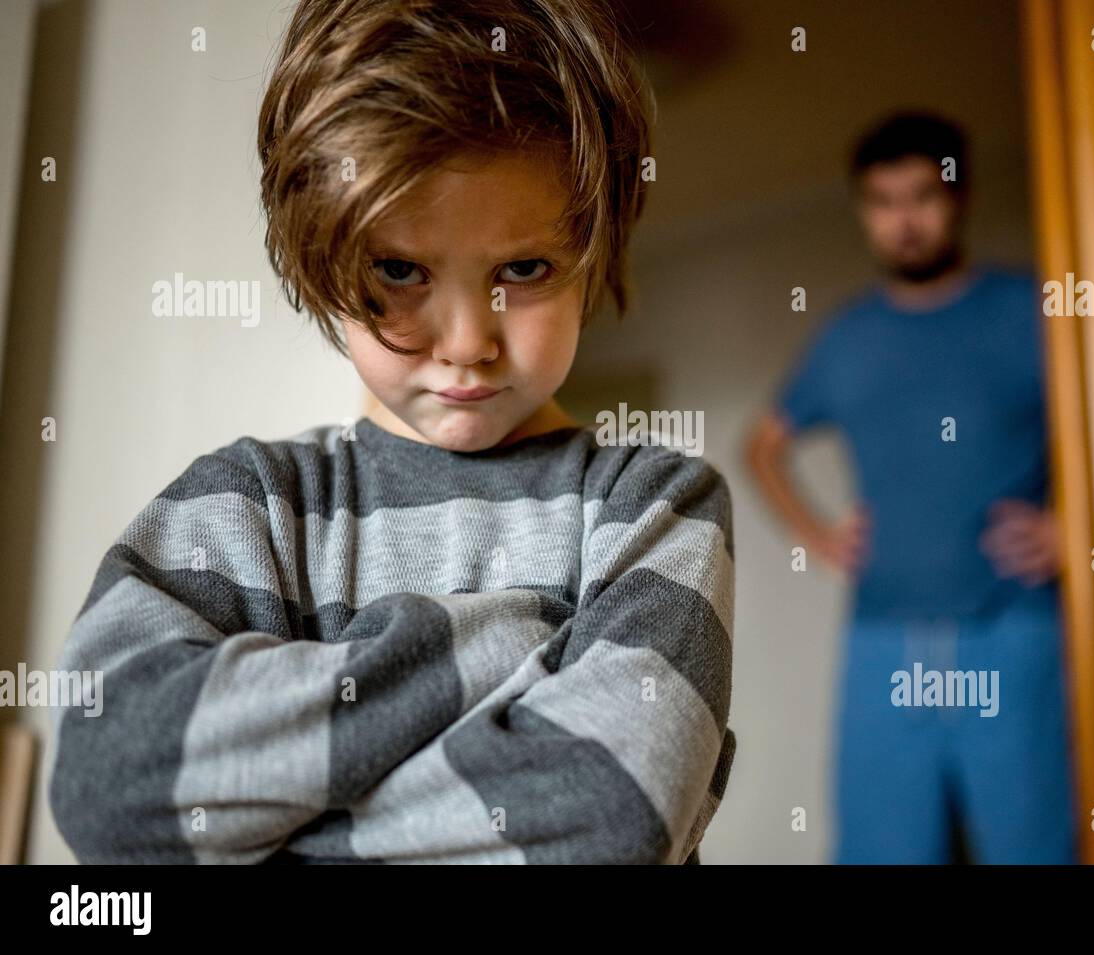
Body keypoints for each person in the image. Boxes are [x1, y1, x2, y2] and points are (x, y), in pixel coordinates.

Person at [47, 0, 735, 865]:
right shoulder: (247, 504)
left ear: (594, 251)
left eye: (522, 270)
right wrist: (506, 639)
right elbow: (106, 786)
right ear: (321, 257)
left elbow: (612, 819)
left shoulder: (656, 504)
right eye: (401, 270)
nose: (467, 344)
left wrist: (266, 826)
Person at [747, 112, 1076, 864]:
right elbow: (762, 447)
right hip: (881, 642)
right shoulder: (846, 336)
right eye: (883, 200)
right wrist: (819, 534)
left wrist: (1076, 528)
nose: (905, 220)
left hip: (1012, 629)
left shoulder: (1030, 309)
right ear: (863, 210)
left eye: (923, 195)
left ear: (959, 197)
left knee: (1035, 850)